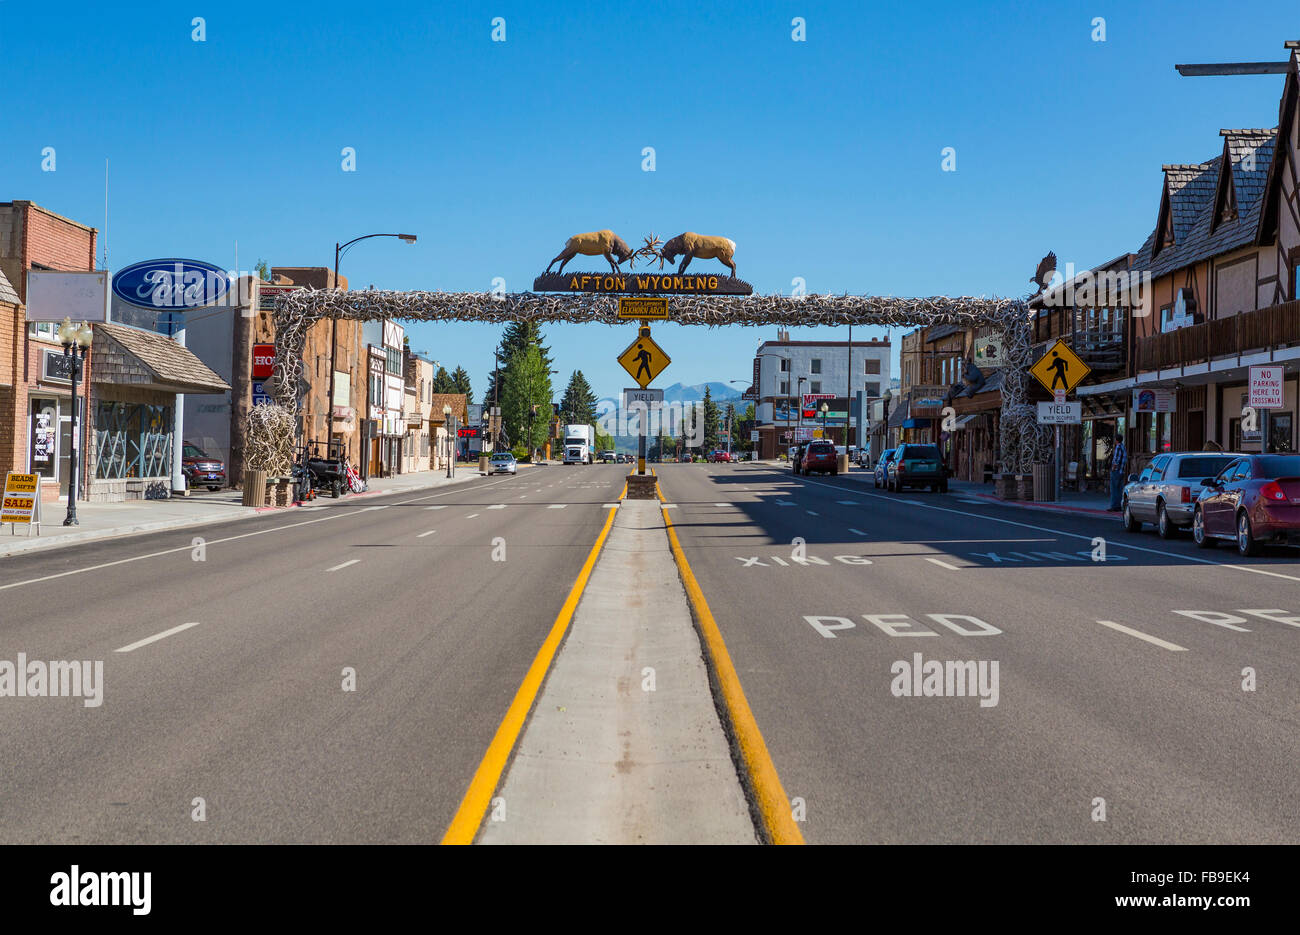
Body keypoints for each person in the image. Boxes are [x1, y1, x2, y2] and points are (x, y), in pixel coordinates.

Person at [1107, 434, 1128, 511]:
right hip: (1122, 471)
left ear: (1116, 440)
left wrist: (1113, 468)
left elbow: (1117, 460)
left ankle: (1114, 506)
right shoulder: (1123, 447)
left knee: (1114, 488)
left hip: (1116, 471)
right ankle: (1119, 505)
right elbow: (1124, 459)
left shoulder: (1118, 447)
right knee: (1119, 488)